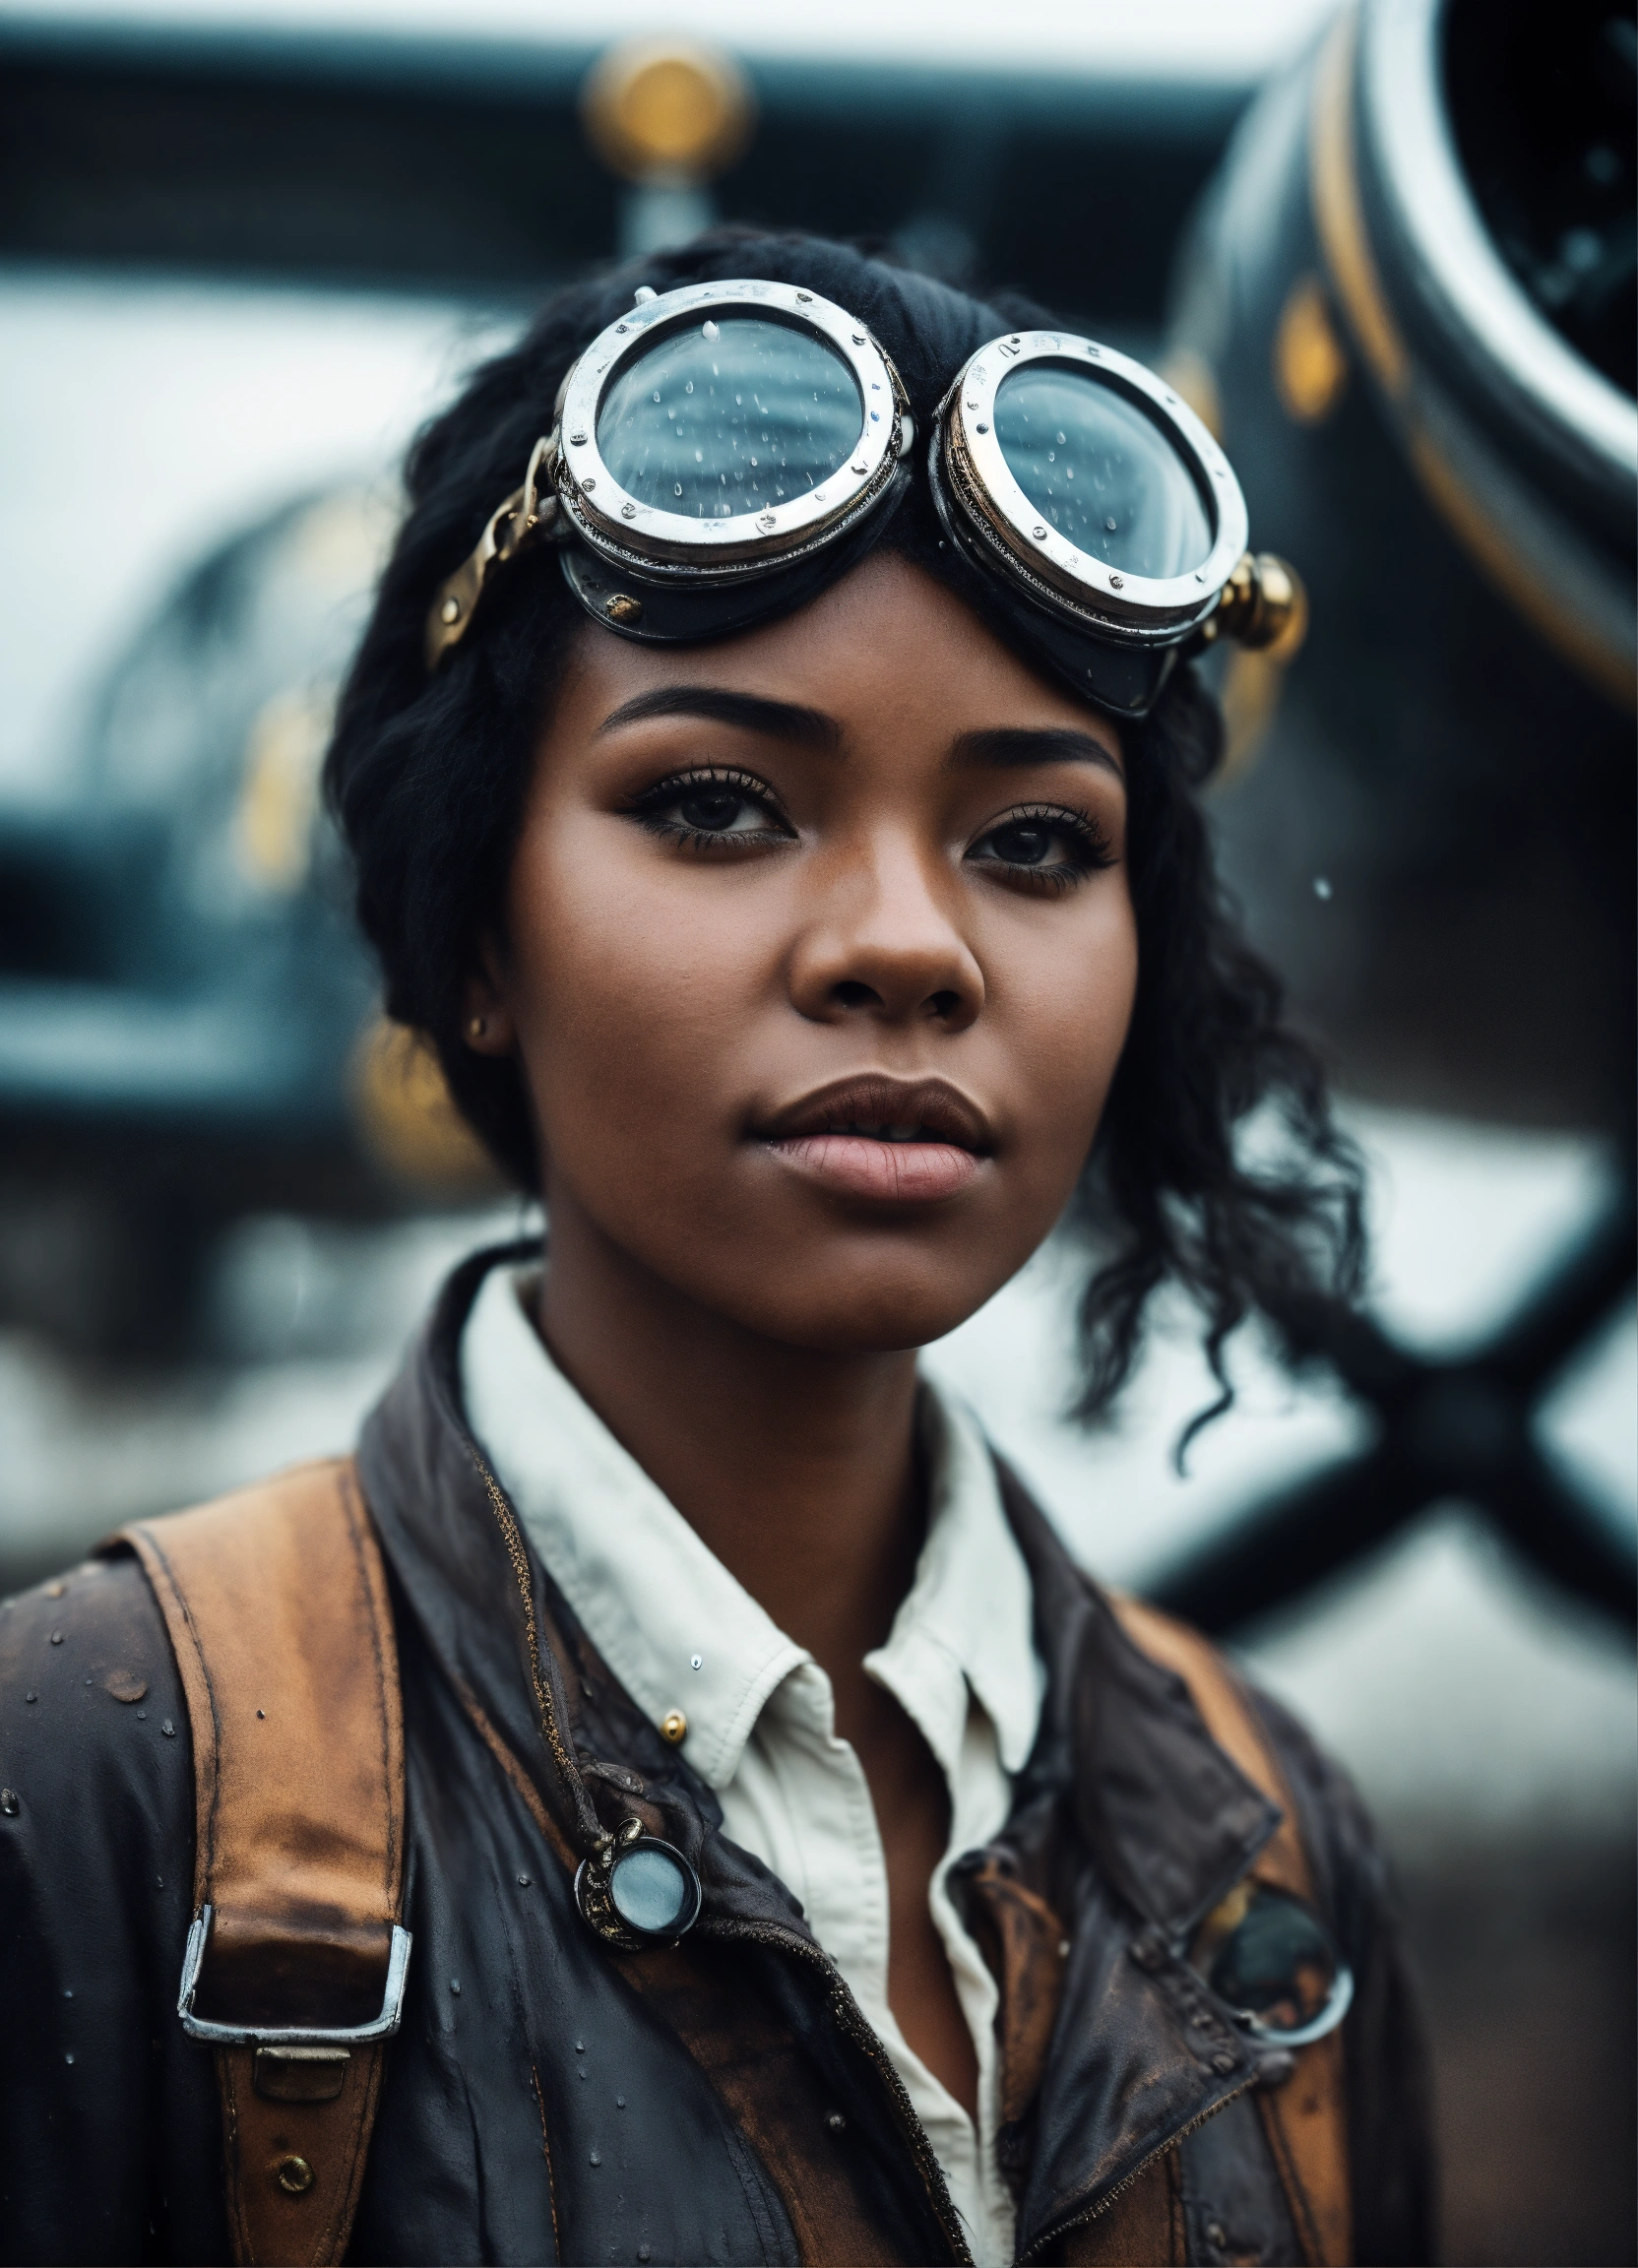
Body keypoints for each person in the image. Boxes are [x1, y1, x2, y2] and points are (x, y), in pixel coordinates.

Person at [0, 233, 1433, 2266]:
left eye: (1034, 842)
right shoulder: (82, 1787)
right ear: (476, 933)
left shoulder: (1277, 1851)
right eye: (714, 804)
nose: (905, 946)